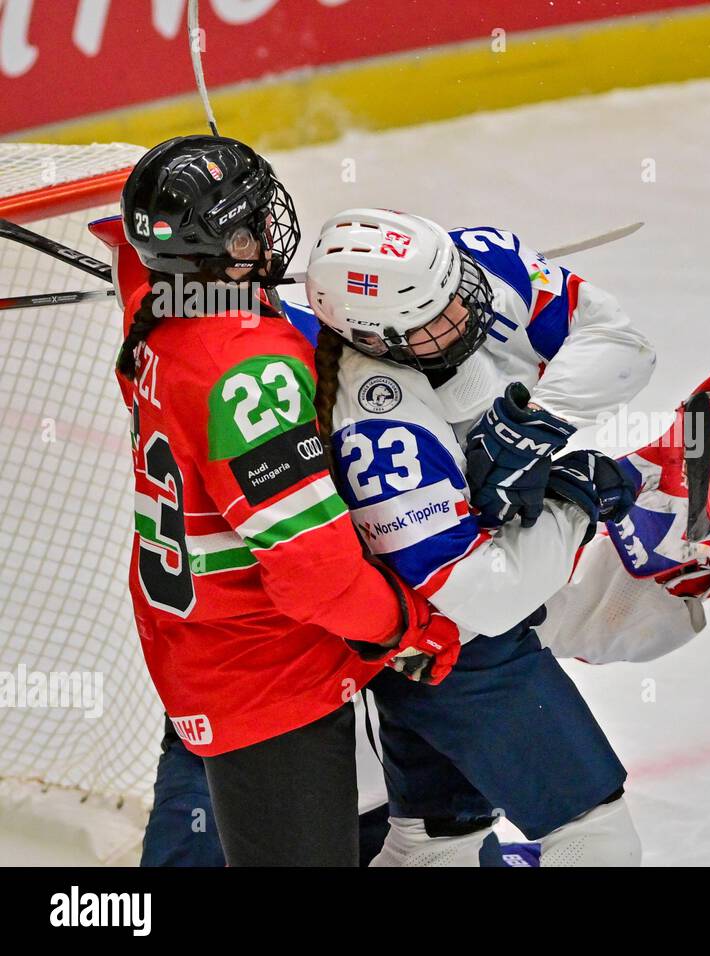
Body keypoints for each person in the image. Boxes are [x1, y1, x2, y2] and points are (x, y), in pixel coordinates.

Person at [114, 136, 458, 866]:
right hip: (270, 676)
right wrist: (408, 627)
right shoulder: (251, 375)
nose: (273, 230)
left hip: (200, 646)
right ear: (232, 245)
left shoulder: (154, 312)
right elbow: (317, 577)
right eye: (253, 225)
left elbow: (137, 260)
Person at [306, 208, 658, 865]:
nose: (463, 316)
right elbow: (477, 600)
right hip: (453, 654)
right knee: (595, 838)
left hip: (418, 652)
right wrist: (574, 503)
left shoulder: (472, 262)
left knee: (436, 844)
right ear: (375, 338)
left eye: (457, 290)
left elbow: (622, 342)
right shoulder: (379, 422)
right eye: (433, 322)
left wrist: (540, 420)